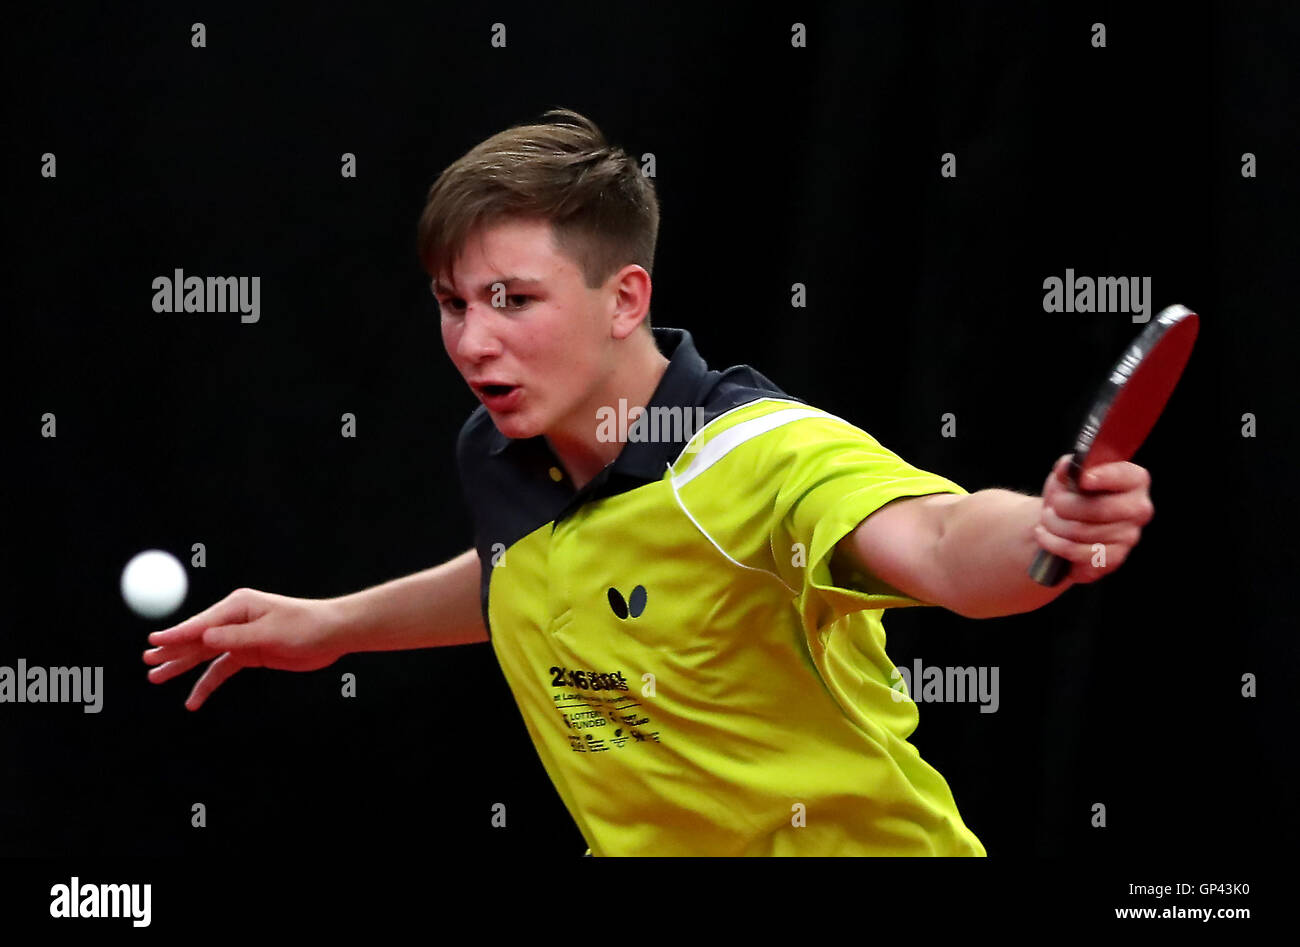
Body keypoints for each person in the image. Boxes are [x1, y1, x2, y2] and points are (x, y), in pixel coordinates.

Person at [143, 109, 1155, 856]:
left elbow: (941, 546)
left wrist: (1051, 530)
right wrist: (337, 625)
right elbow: (532, 570)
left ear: (624, 296)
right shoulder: (497, 450)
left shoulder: (763, 459)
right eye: (450, 302)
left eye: (512, 299)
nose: (470, 340)